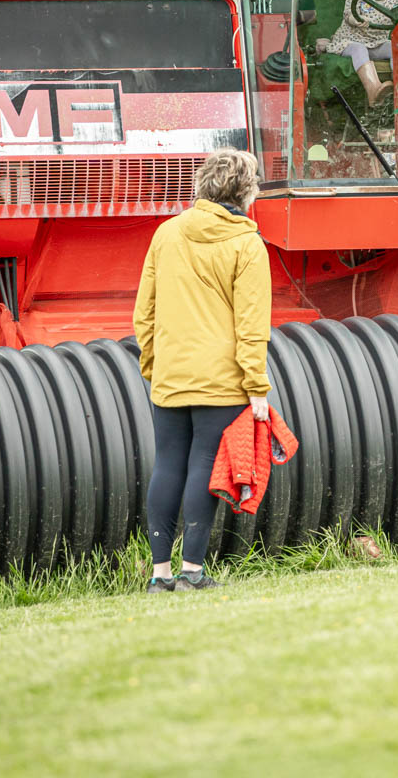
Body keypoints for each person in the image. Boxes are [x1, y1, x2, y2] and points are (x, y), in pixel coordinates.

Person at [132, 148, 273, 591]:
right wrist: (257, 389)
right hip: (222, 383)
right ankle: (192, 570)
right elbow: (252, 328)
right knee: (205, 468)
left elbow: (145, 312)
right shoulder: (247, 245)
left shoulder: (166, 234)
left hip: (171, 375)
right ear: (245, 192)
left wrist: (155, 365)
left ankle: (159, 576)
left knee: (168, 465)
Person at [316, 0, 398, 105]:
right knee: (359, 49)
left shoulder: (395, 3)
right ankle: (373, 90)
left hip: (376, 44)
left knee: (396, 47)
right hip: (349, 41)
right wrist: (354, 20)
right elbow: (348, 13)